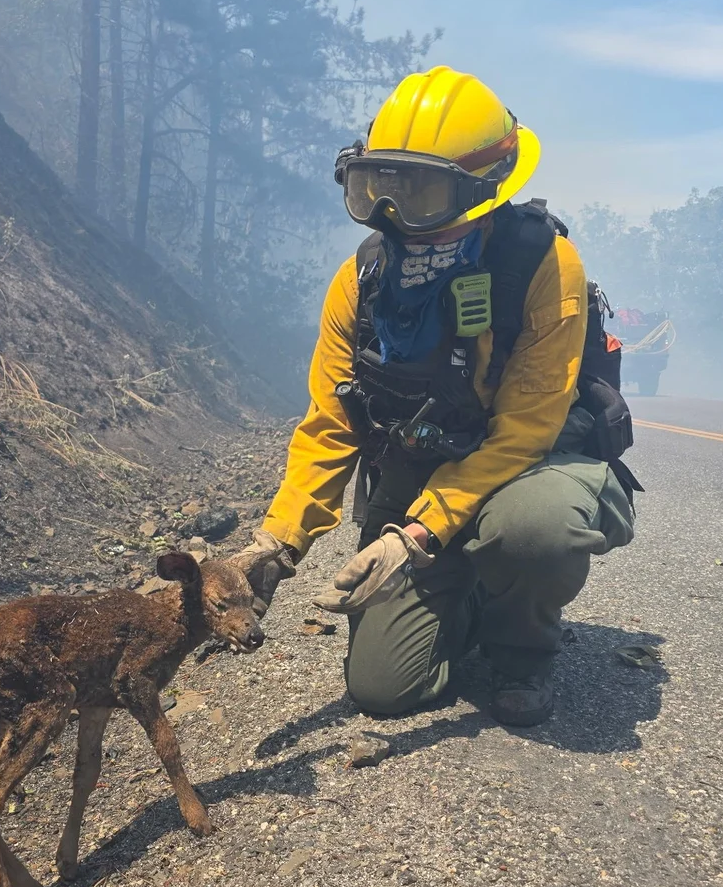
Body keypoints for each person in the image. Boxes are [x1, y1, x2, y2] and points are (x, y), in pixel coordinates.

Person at [240, 66, 636, 727]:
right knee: (383, 690)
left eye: (421, 194)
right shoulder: (358, 281)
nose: (396, 217)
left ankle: (521, 649)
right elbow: (330, 425)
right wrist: (278, 542)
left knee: (534, 530)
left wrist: (418, 533)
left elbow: (527, 429)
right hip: (416, 479)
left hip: (522, 472)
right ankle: (471, 590)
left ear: (483, 192)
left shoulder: (544, 267)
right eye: (379, 189)